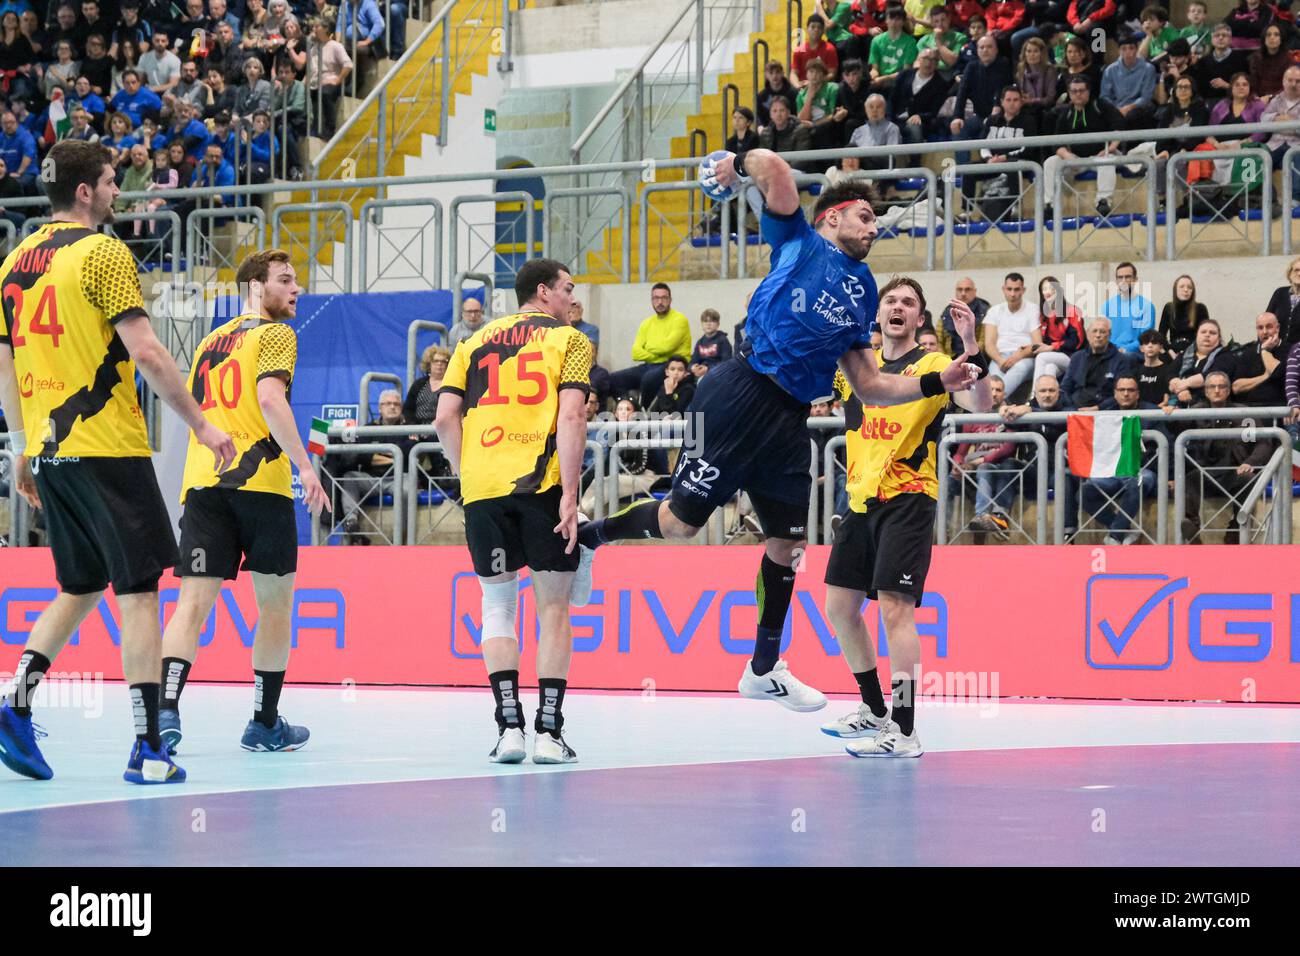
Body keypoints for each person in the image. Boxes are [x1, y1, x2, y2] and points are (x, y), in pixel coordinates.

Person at [576, 149, 979, 714]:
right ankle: (593, 538)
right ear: (831, 217)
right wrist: (736, 166)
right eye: (864, 215)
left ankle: (763, 667)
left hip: (790, 417)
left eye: (875, 220)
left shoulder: (863, 289)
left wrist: (944, 380)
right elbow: (775, 168)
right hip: (738, 391)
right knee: (680, 524)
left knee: (788, 544)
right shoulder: (798, 241)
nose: (873, 227)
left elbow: (868, 384)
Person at [0, 139, 236, 784]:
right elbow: (150, 354)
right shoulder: (103, 252)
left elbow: (6, 363)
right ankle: (150, 746)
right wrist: (203, 424)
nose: (116, 191)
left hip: (50, 448)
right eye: (109, 181)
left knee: (80, 585)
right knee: (137, 592)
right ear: (85, 191)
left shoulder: (13, 261)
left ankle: (14, 705)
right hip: (105, 444)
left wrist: (22, 447)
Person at [157, 249, 330, 754]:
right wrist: (304, 464)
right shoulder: (275, 334)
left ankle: (165, 712)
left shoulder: (211, 340)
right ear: (256, 286)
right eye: (285, 280)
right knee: (275, 607)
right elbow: (272, 400)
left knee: (190, 606)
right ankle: (264, 722)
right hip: (261, 485)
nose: (296, 289)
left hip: (205, 484)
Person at [820, 279, 990, 757]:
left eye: (909, 303)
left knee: (895, 609)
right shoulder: (856, 367)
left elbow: (980, 405)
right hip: (859, 497)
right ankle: (874, 709)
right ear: (877, 315)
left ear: (920, 319)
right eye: (891, 301)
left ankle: (905, 728)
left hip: (909, 495)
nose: (899, 307)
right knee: (840, 606)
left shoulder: (935, 365)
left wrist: (972, 347)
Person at [434, 258, 592, 765]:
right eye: (567, 289)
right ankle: (549, 732)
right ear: (543, 292)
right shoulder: (571, 341)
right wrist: (570, 494)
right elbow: (571, 415)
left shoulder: (471, 342)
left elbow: (442, 418)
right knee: (553, 609)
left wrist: (469, 474)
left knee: (498, 608)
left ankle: (509, 731)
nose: (572, 298)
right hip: (542, 484)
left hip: (484, 489)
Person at [1181, 370, 1272, 542]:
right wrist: (1171, 412)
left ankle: (1235, 531)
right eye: (1212, 387)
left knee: (1248, 479)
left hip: (1234, 471)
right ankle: (1192, 530)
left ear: (1229, 391)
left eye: (1221, 386)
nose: (1217, 390)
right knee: (1189, 479)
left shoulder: (1244, 413)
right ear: (1206, 391)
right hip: (1204, 473)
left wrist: (1250, 462)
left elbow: (1263, 443)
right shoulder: (1194, 412)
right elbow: (1175, 430)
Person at [1081, 376, 1162, 544]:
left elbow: (1164, 446)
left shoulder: (1152, 413)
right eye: (1122, 390)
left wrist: (1169, 476)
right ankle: (1123, 529)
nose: (1126, 394)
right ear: (1115, 394)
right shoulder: (1105, 415)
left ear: (1138, 394)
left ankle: (1115, 537)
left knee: (1138, 481)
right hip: (1112, 471)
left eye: (1130, 390)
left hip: (1142, 469)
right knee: (1085, 490)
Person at [998, 373, 1079, 535]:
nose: (1047, 395)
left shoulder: (1069, 408)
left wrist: (1030, 411)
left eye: (1051, 391)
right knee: (1009, 465)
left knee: (1065, 477)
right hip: (1033, 471)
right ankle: (999, 517)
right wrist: (1005, 410)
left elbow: (1062, 420)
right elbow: (1011, 427)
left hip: (1061, 470)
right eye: (1043, 391)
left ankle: (1068, 532)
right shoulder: (1026, 409)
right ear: (1035, 393)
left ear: (1059, 392)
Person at [1042, 75, 1121, 220]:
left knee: (1107, 160)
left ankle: (1103, 202)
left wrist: (1109, 148)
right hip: (1076, 160)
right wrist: (1066, 155)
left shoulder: (1101, 105)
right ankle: (1049, 205)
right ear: (1069, 93)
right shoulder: (1066, 112)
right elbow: (1057, 142)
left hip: (1099, 156)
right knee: (1050, 162)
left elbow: (1118, 127)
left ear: (1088, 91)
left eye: (1081, 91)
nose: (1078, 94)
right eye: (1074, 91)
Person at [608, 282, 692, 408]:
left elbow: (666, 347)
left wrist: (648, 349)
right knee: (612, 379)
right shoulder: (646, 323)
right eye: (656, 298)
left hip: (671, 366)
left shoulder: (680, 320)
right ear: (652, 300)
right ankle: (631, 407)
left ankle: (644, 410)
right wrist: (657, 354)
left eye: (664, 298)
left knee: (648, 379)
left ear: (670, 300)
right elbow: (635, 352)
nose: (660, 302)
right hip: (649, 365)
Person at [984, 271, 1041, 400]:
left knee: (1019, 369)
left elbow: (1037, 343)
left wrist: (1018, 356)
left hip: (1024, 358)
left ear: (1023, 290)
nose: (1013, 294)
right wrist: (1000, 360)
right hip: (999, 358)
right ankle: (997, 404)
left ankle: (994, 403)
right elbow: (989, 344)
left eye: (1017, 289)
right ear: (1003, 289)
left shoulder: (1033, 309)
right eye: (1009, 289)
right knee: (993, 379)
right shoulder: (994, 311)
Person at [1062, 316, 1134, 409]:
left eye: (1102, 332)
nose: (1098, 335)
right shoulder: (1077, 358)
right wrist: (1073, 408)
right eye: (1094, 331)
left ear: (1109, 335)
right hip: (1076, 410)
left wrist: (1098, 408)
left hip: (1106, 411)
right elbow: (1065, 388)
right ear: (1087, 334)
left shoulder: (1121, 360)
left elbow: (1122, 394)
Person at [1169, 317, 1236, 406]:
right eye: (1203, 332)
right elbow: (1170, 373)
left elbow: (1210, 376)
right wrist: (1180, 390)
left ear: (1219, 338)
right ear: (1197, 335)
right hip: (1181, 401)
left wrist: (1184, 384)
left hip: (1209, 405)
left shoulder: (1225, 356)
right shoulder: (1185, 354)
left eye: (1212, 333)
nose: (1207, 335)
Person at [1032, 274, 1084, 381]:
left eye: (1052, 288)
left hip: (1072, 356)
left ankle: (1035, 394)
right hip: (1054, 357)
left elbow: (1076, 341)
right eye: (1044, 289)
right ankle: (1049, 395)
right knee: (1050, 368)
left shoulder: (1072, 311)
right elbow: (1043, 341)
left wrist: (1052, 347)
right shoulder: (1042, 315)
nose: (1048, 292)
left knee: (1042, 357)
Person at [1232, 313, 1288, 408]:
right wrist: (1265, 376)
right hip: (1252, 409)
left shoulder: (1291, 350)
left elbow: (1278, 374)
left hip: (1282, 408)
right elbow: (1236, 387)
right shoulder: (1248, 353)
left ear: (1277, 328)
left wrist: (1265, 351)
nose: (1265, 332)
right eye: (1260, 328)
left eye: (1269, 327)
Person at [1102, 261, 1157, 352]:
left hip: (1136, 355)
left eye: (1127, 277)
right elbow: (1103, 335)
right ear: (1116, 281)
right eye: (1120, 277)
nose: (1123, 281)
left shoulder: (1146, 306)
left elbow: (1146, 338)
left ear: (1135, 279)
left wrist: (1125, 350)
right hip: (1111, 354)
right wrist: (1115, 350)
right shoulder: (1107, 306)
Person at [937, 276, 989, 357]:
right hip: (950, 358)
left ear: (975, 291)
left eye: (967, 289)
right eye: (960, 289)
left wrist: (968, 358)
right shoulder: (947, 312)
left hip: (976, 357)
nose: (963, 293)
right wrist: (945, 360)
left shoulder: (984, 310)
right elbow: (938, 340)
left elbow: (983, 342)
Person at [1157, 273, 1207, 357]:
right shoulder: (1169, 308)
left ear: (1193, 291)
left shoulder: (1200, 308)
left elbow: (1204, 335)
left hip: (1194, 350)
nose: (1186, 290)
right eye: (1182, 286)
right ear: (1175, 289)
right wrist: (1170, 352)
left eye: (1189, 287)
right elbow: (1161, 335)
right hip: (1173, 350)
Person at [404, 344, 451, 424]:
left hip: (441, 428)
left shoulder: (451, 385)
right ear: (429, 364)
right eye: (435, 361)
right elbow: (408, 409)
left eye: (443, 361)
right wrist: (413, 428)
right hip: (416, 429)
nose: (439, 364)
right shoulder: (418, 384)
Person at [1262, 255, 1300, 346]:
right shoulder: (1280, 293)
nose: (1299, 274)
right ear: (1290, 274)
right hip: (1275, 348)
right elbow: (1265, 321)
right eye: (1296, 270)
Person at [1135, 328, 1174, 406]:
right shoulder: (1136, 371)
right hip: (1139, 412)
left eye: (1154, 342)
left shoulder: (1168, 370)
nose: (1150, 345)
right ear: (1141, 348)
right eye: (1146, 343)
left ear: (1160, 347)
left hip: (1160, 413)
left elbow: (1169, 398)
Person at [690, 307, 732, 378]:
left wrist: (708, 368)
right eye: (705, 321)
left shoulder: (723, 340)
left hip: (718, 374)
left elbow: (726, 362)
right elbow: (694, 360)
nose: (708, 324)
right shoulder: (700, 342)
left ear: (718, 324)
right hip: (701, 373)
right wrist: (693, 367)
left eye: (712, 321)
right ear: (702, 324)